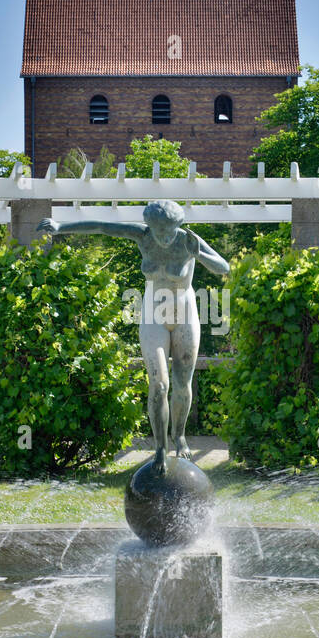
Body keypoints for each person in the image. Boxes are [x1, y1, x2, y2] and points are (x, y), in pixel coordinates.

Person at [36, 200, 229, 474]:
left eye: (168, 231)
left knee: (182, 382)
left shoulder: (189, 241)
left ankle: (180, 436)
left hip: (185, 315)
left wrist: (200, 256)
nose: (163, 237)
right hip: (154, 316)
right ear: (149, 226)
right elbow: (103, 227)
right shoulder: (142, 235)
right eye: (158, 231)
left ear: (178, 225)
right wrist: (61, 227)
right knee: (159, 385)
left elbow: (224, 268)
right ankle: (160, 447)